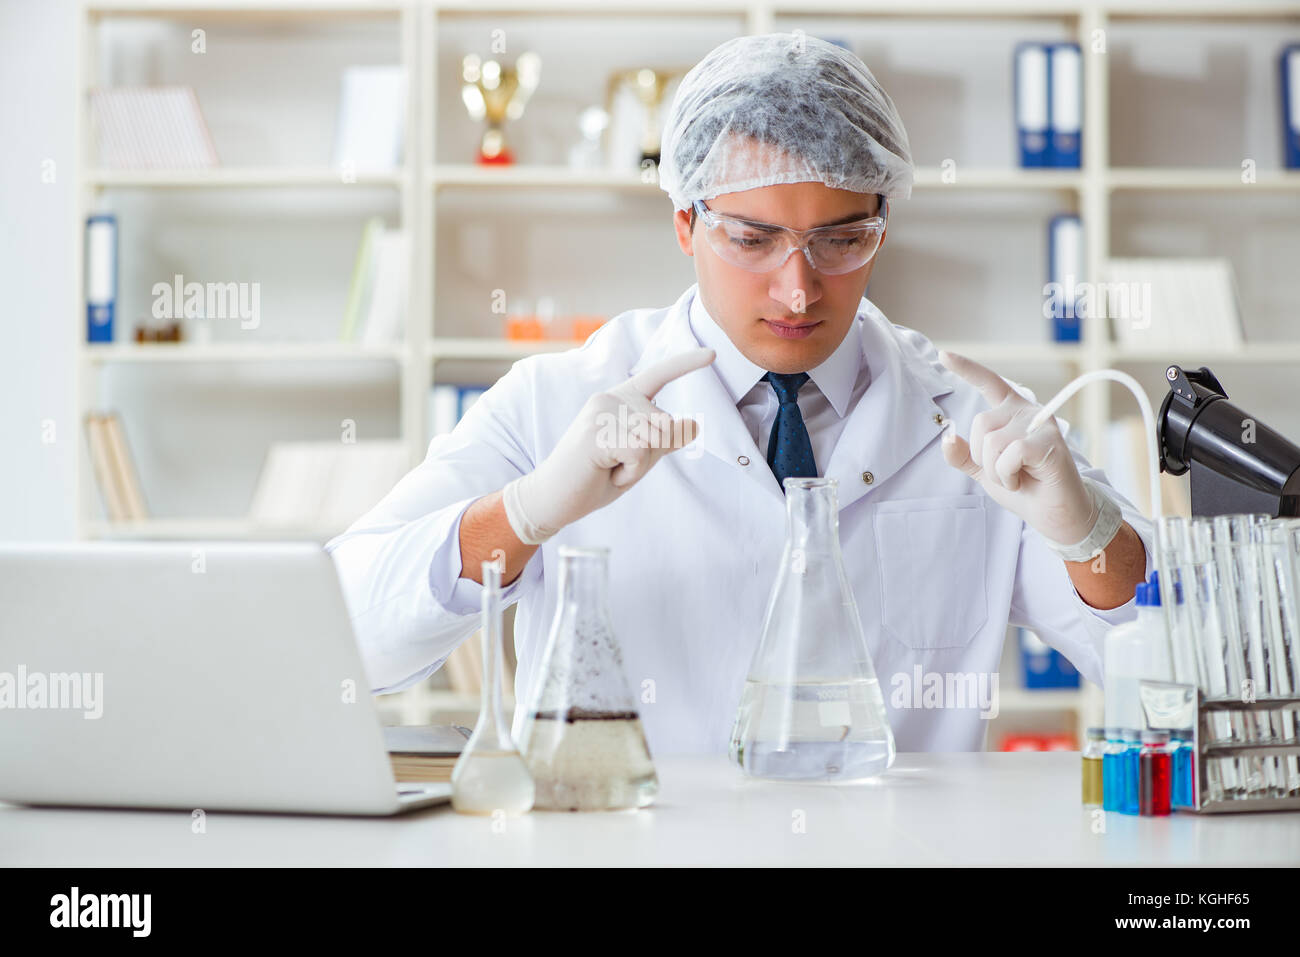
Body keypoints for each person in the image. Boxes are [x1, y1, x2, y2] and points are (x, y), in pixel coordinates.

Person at [326, 32, 1155, 754]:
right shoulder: (556, 401)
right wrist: (527, 513)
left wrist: (1086, 533)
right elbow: (346, 638)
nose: (799, 289)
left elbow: (1172, 674)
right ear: (684, 221)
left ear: (882, 227)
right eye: (753, 239)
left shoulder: (976, 420)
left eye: (841, 240)